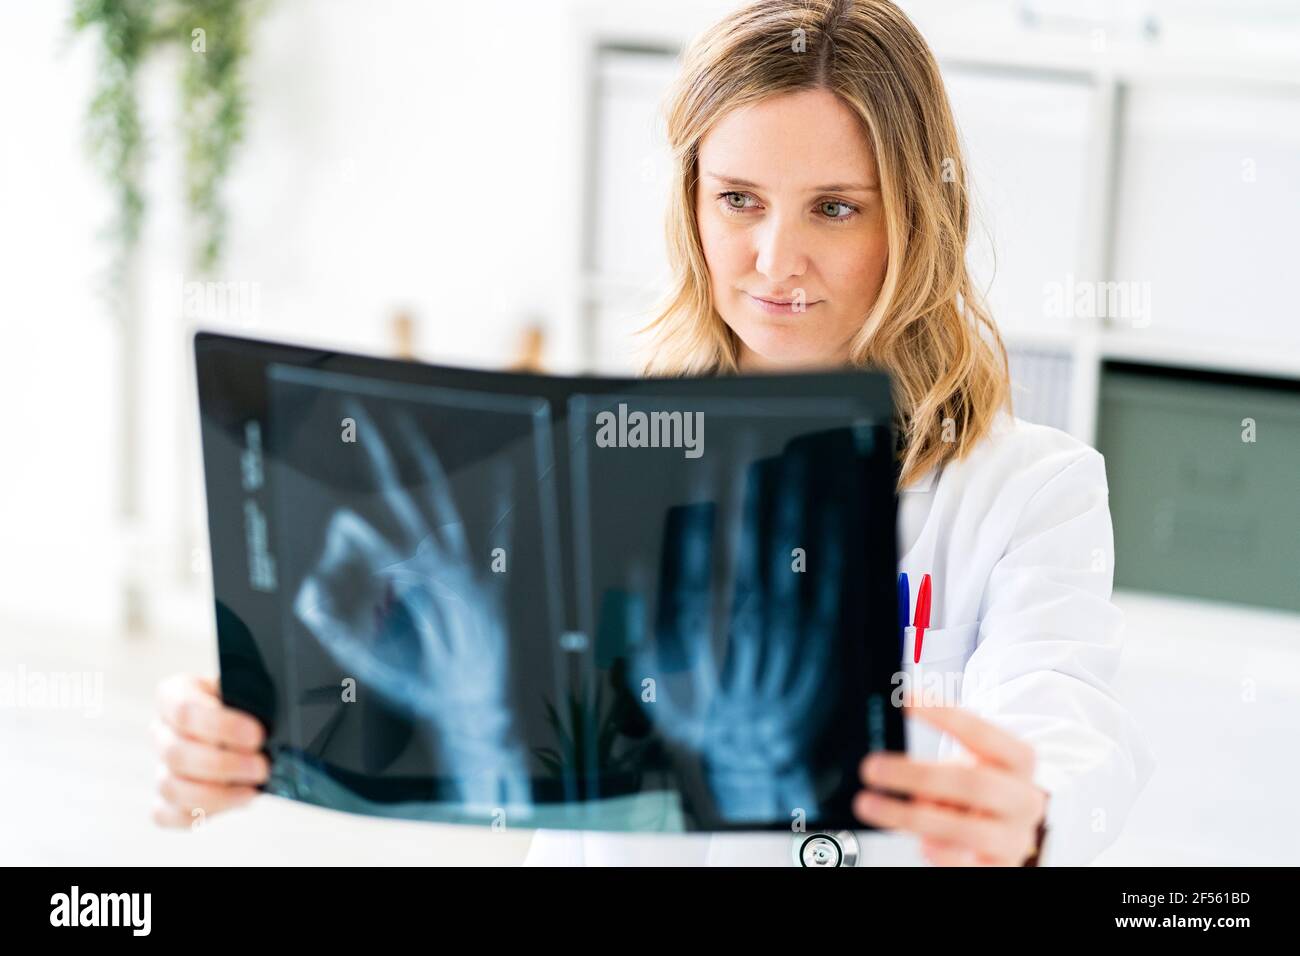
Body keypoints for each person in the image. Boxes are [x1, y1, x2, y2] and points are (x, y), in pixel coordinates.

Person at [151, 0, 1153, 866]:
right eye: (739, 200)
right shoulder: (590, 452)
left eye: (836, 208)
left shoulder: (1029, 489)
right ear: (692, 204)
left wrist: (1030, 814)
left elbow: (1058, 712)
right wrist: (242, 729)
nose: (775, 259)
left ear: (914, 217)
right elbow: (396, 674)